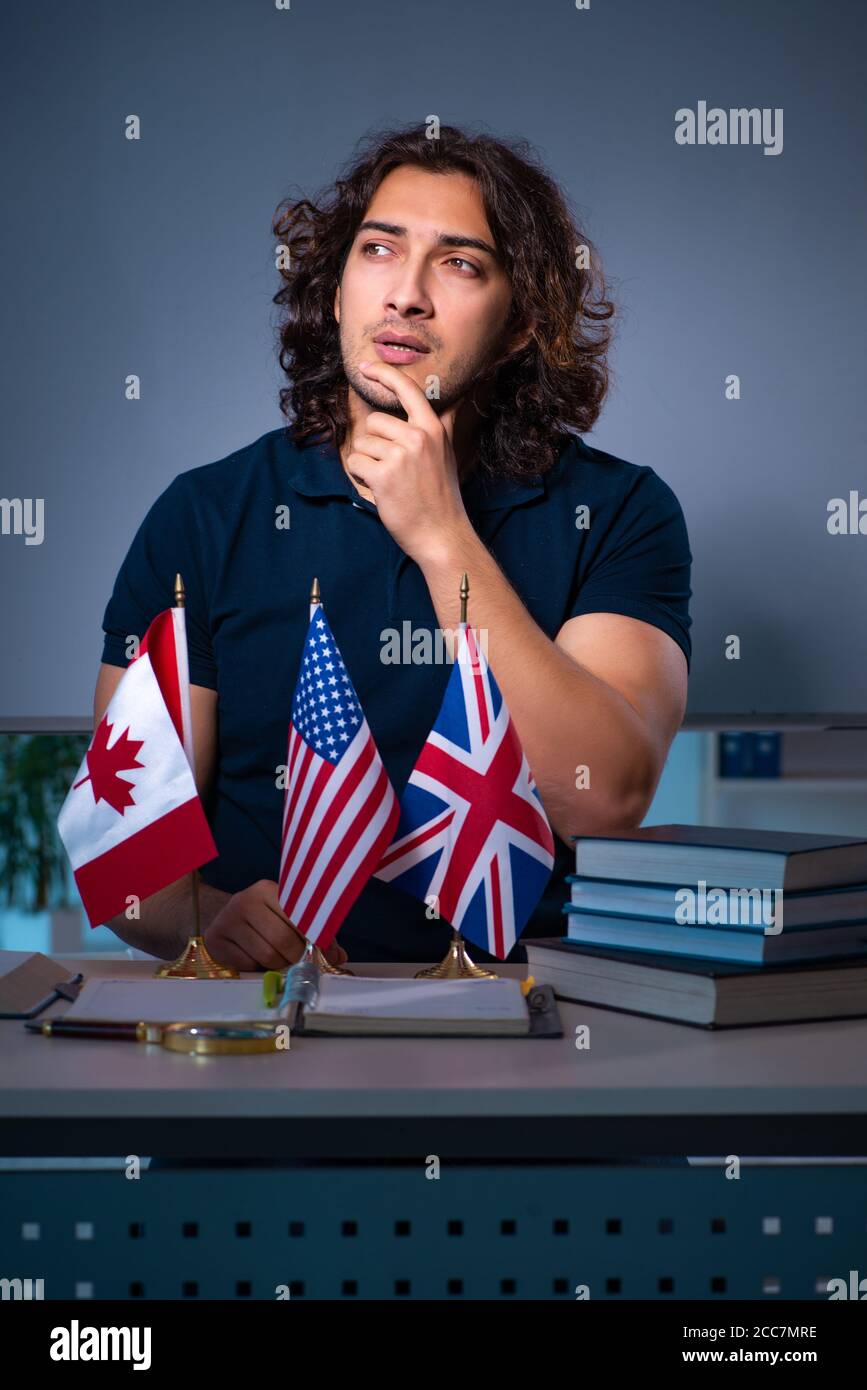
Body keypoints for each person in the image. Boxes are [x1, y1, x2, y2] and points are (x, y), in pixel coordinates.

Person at [94, 123, 692, 970]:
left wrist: (443, 537)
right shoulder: (205, 514)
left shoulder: (619, 508)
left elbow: (607, 796)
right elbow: (129, 859)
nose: (405, 294)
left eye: (459, 263)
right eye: (378, 250)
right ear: (335, 292)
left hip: (526, 1009)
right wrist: (209, 917)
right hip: (272, 1018)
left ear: (520, 323)